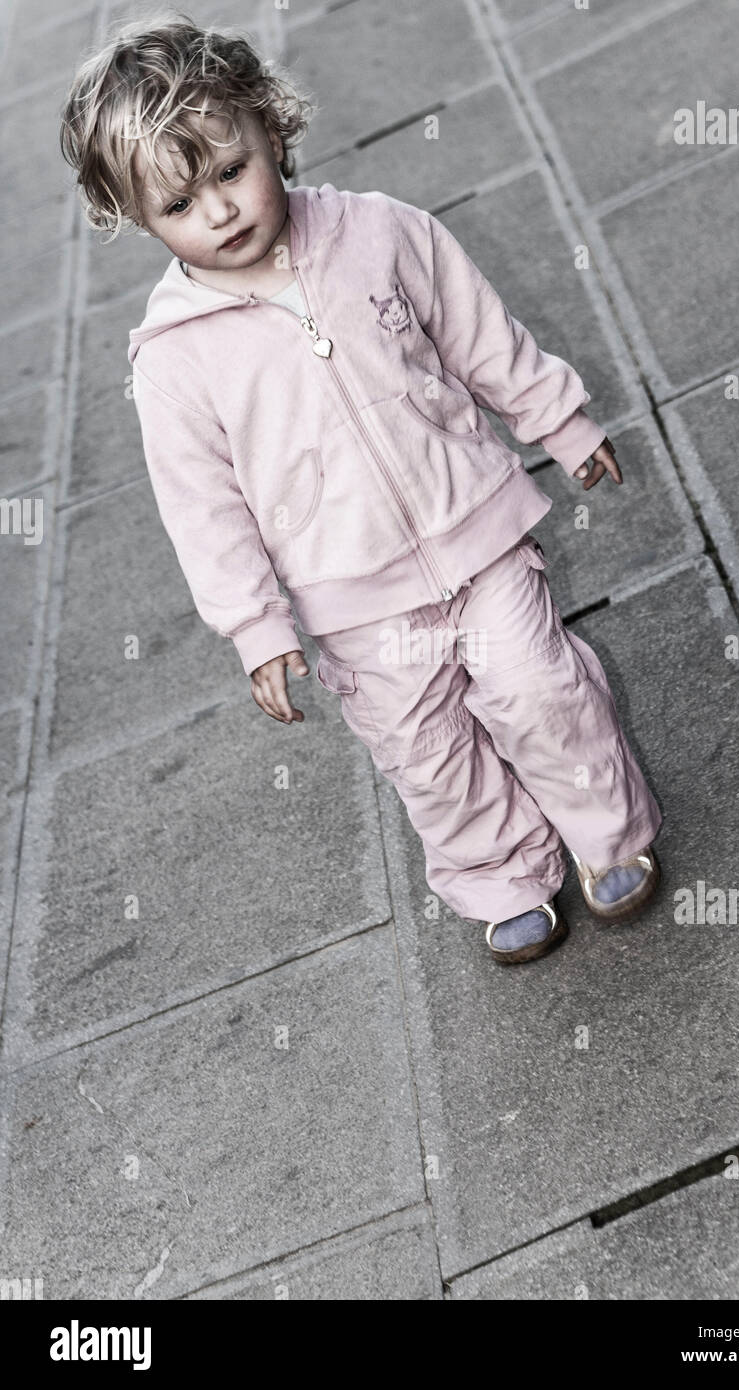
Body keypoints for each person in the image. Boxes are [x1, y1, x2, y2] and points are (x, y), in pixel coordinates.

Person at [59, 13, 663, 964]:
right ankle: (504, 870)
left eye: (230, 170)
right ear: (139, 218)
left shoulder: (380, 232)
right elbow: (203, 509)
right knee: (427, 753)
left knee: (539, 687)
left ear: (272, 128)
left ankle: (605, 829)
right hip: (350, 601)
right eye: (180, 204)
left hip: (475, 530)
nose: (219, 211)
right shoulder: (174, 362)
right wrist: (255, 626)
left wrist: (560, 419)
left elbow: (480, 337)